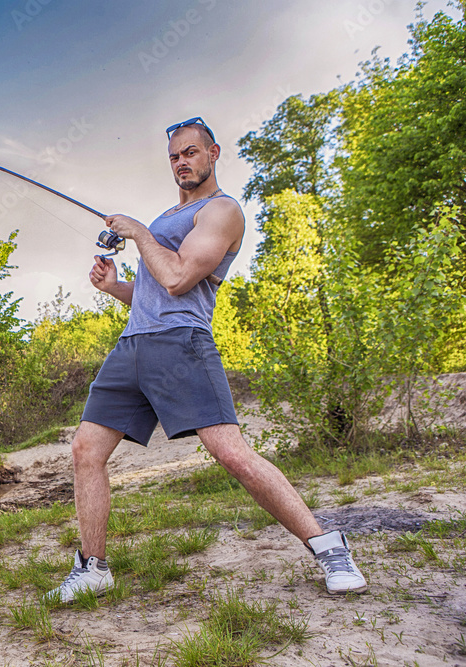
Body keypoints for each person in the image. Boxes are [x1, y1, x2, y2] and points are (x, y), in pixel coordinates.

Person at [46, 117, 366, 602]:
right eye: (175, 156)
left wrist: (136, 231)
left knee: (231, 454)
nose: (181, 163)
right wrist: (115, 287)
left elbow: (178, 280)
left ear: (213, 153)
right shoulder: (162, 222)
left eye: (191, 152)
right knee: (85, 451)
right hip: (133, 345)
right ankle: (93, 567)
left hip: (182, 345)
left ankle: (328, 545)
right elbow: (154, 293)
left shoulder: (221, 212)